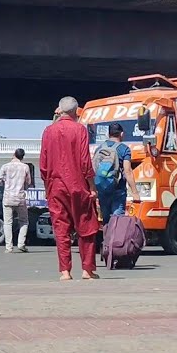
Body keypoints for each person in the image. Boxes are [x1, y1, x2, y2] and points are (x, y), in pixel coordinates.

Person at [40, 97, 100, 280]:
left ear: (59, 109)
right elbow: (85, 162)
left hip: (55, 187)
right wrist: (92, 187)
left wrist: (47, 187)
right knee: (86, 226)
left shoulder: (48, 131)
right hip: (77, 185)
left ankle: (65, 271)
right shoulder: (80, 130)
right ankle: (87, 270)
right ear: (76, 111)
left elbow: (43, 165)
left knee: (61, 228)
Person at [95, 123, 138, 220]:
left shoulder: (99, 148)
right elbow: (128, 171)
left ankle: (107, 230)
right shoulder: (124, 149)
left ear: (108, 134)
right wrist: (135, 193)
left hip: (102, 190)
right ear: (121, 134)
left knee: (106, 220)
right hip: (118, 190)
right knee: (117, 220)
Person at [0, 148, 34, 253]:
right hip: (20, 198)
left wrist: (5, 183)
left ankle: (9, 246)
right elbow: (29, 182)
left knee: (8, 223)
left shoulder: (5, 166)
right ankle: (21, 243)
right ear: (22, 157)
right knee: (24, 221)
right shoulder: (25, 167)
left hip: (8, 197)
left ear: (14, 155)